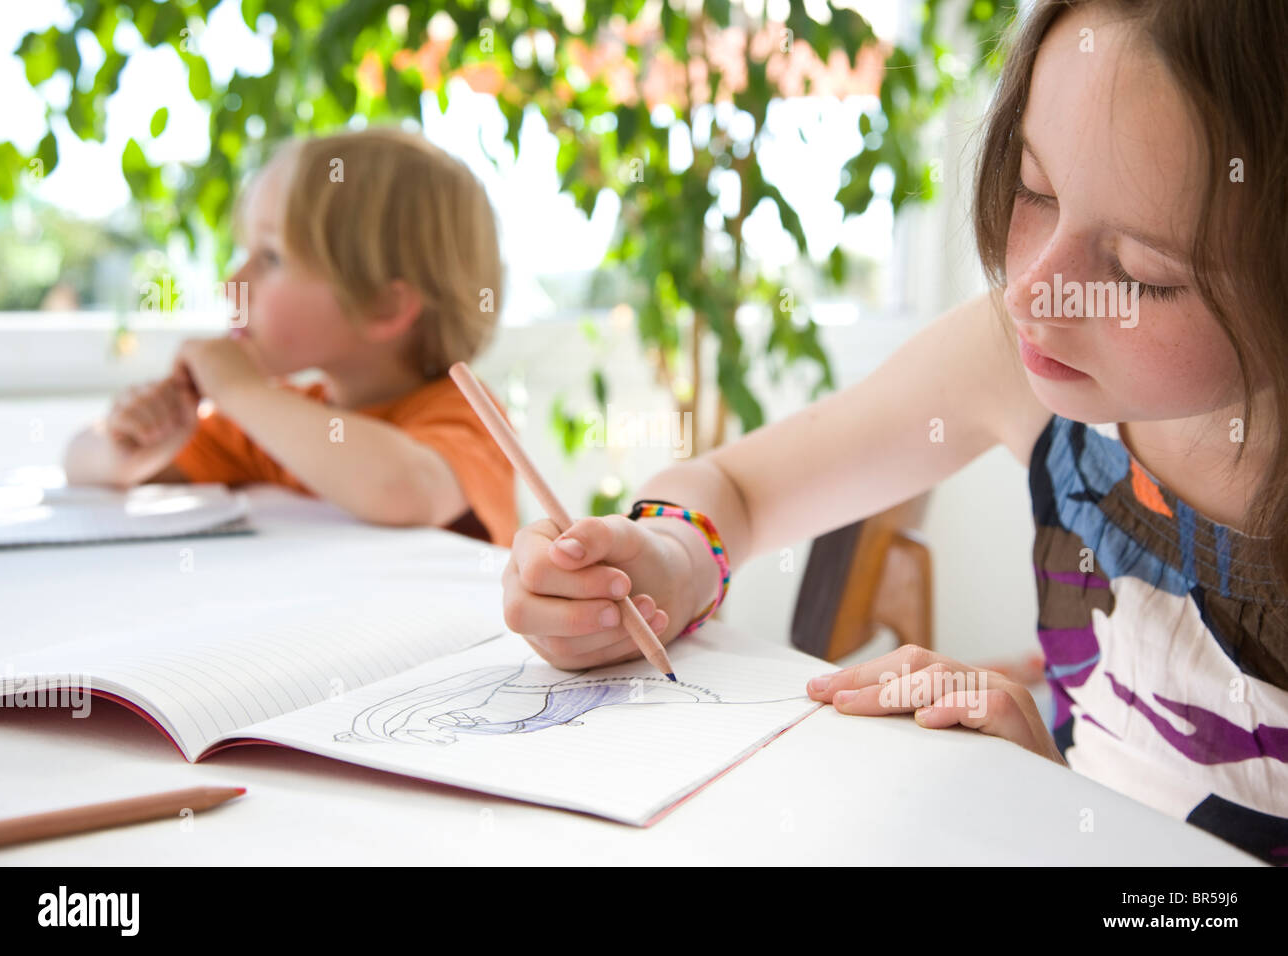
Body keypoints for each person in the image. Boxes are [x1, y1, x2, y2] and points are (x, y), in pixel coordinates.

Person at [500, 0, 1288, 862]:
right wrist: (667, 560)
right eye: (1034, 187)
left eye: (1142, 272)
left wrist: (1053, 813)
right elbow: (740, 492)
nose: (1031, 290)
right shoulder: (1009, 357)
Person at [64, 128, 517, 547]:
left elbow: (401, 489)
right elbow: (79, 463)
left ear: (385, 306)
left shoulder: (469, 414)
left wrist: (240, 389)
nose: (233, 283)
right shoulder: (273, 420)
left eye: (270, 257)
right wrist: (130, 449)